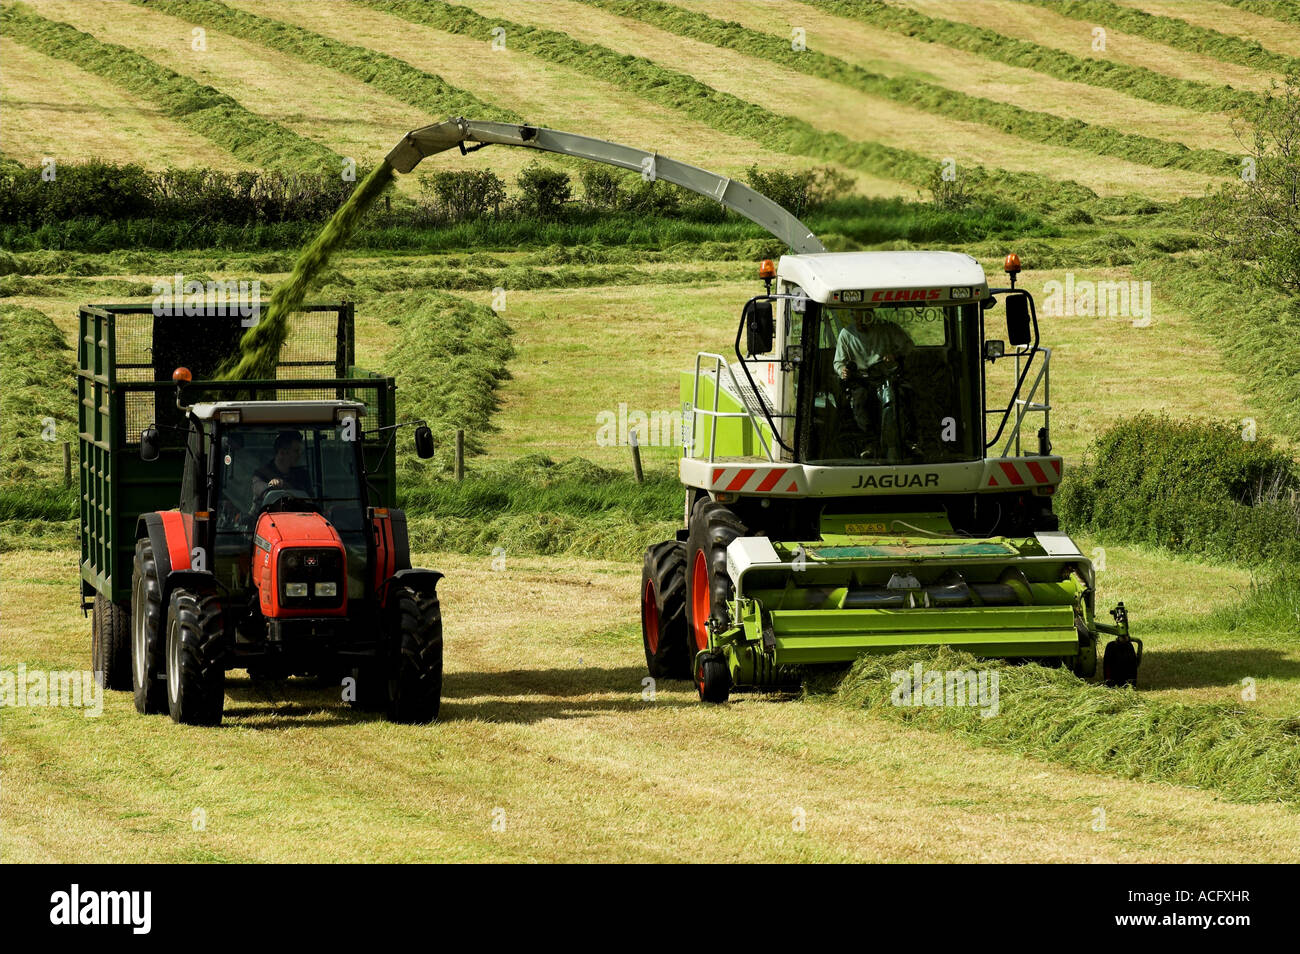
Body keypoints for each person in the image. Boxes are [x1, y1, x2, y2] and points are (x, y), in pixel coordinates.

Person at [832, 309, 914, 459]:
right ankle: (869, 443)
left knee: (899, 397)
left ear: (871, 317)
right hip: (860, 378)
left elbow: (908, 345)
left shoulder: (888, 328)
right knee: (860, 402)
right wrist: (842, 370)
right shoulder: (846, 334)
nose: (860, 323)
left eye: (863, 319)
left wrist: (895, 355)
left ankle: (905, 441)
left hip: (886, 375)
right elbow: (838, 361)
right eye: (856, 319)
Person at [252, 430, 311, 503]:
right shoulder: (262, 474)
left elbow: (310, 500)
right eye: (296, 451)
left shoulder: (302, 475)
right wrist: (271, 486)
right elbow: (260, 489)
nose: (299, 455)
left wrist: (283, 485)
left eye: (300, 451)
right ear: (282, 453)